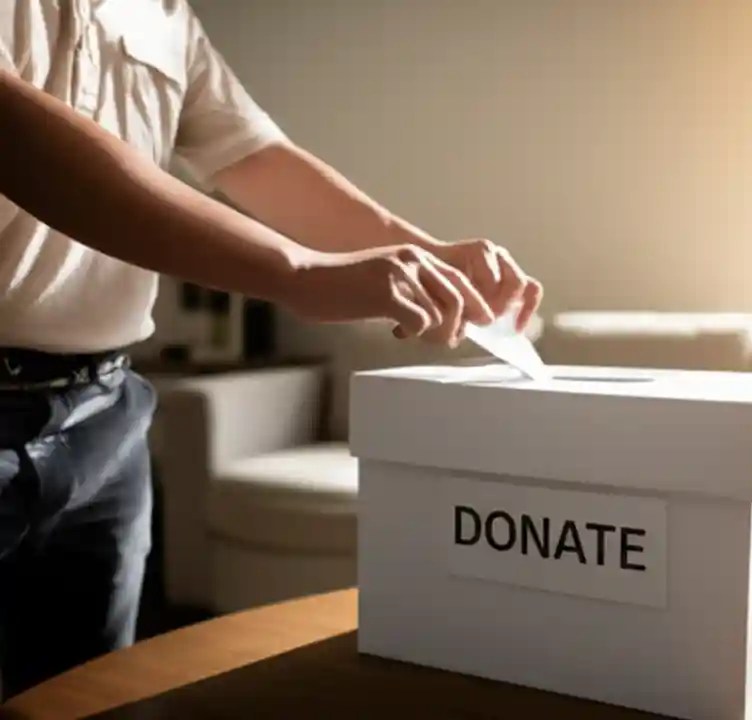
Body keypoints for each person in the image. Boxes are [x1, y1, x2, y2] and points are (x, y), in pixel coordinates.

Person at [0, 0, 542, 697]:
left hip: (106, 417)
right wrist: (298, 272)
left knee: (86, 696)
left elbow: (256, 157)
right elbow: (16, 136)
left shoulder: (168, 17)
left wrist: (426, 255)